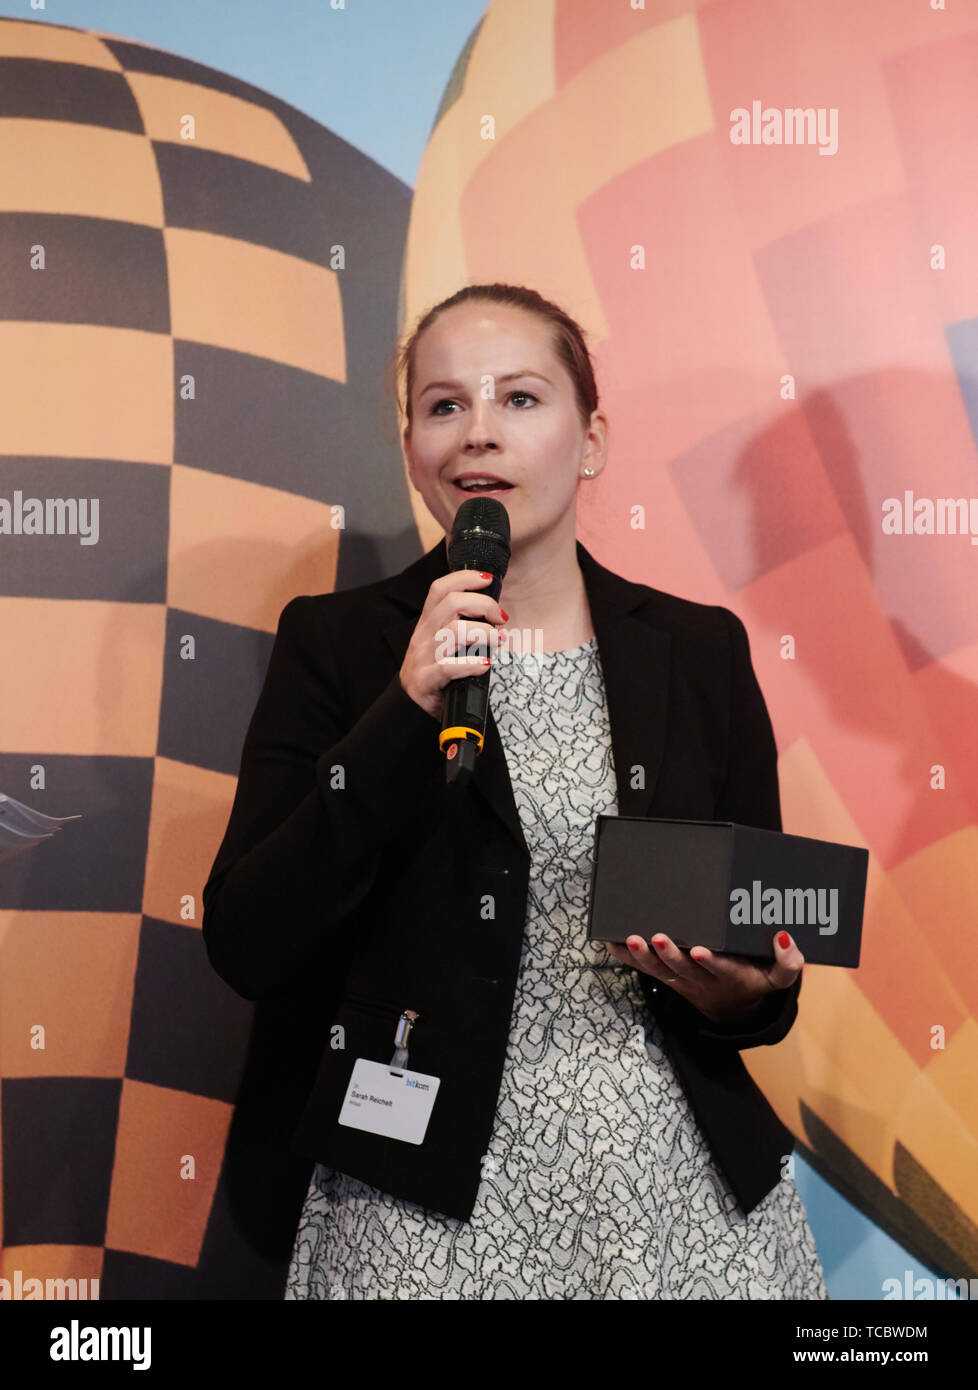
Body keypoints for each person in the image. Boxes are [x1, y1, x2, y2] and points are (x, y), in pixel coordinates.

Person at [202, 282, 829, 1300]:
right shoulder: (340, 646)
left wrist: (749, 995)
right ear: (410, 444)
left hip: (675, 1201)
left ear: (591, 439)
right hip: (421, 1202)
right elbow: (248, 937)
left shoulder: (697, 651)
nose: (478, 435)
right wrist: (405, 709)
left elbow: (755, 942)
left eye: (521, 401)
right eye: (444, 405)